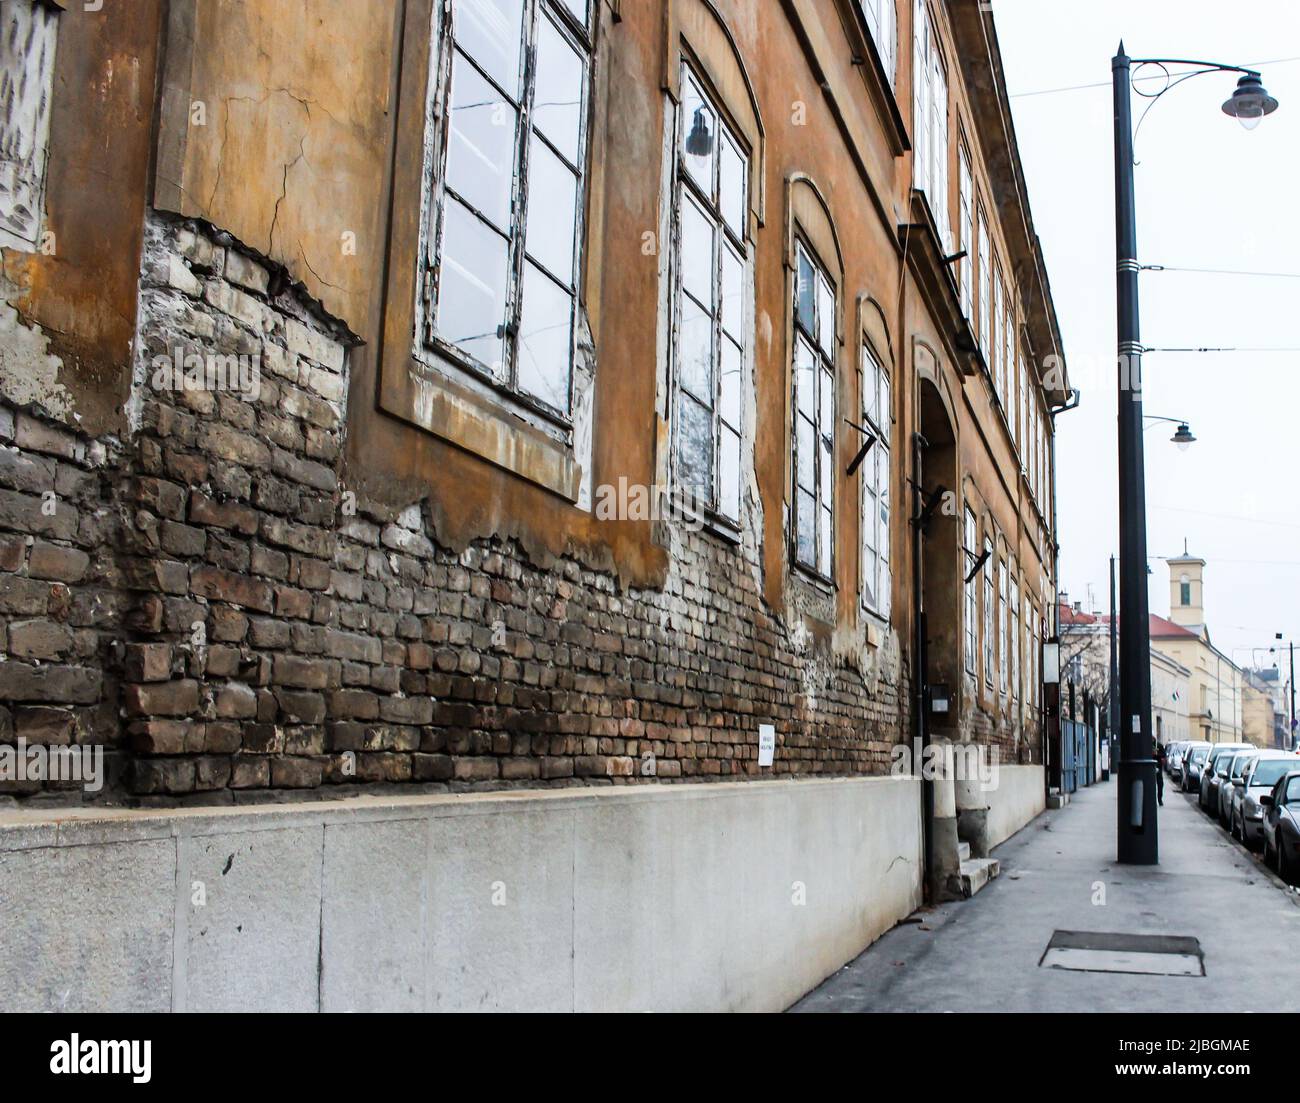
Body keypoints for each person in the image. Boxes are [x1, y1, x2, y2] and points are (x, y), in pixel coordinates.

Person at [1154, 739, 1166, 806]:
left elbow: (1163, 755)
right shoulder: (1147, 744)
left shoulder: (1159, 745)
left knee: (1160, 784)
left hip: (1158, 766)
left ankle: (1159, 799)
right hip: (1150, 767)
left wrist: (1157, 754)